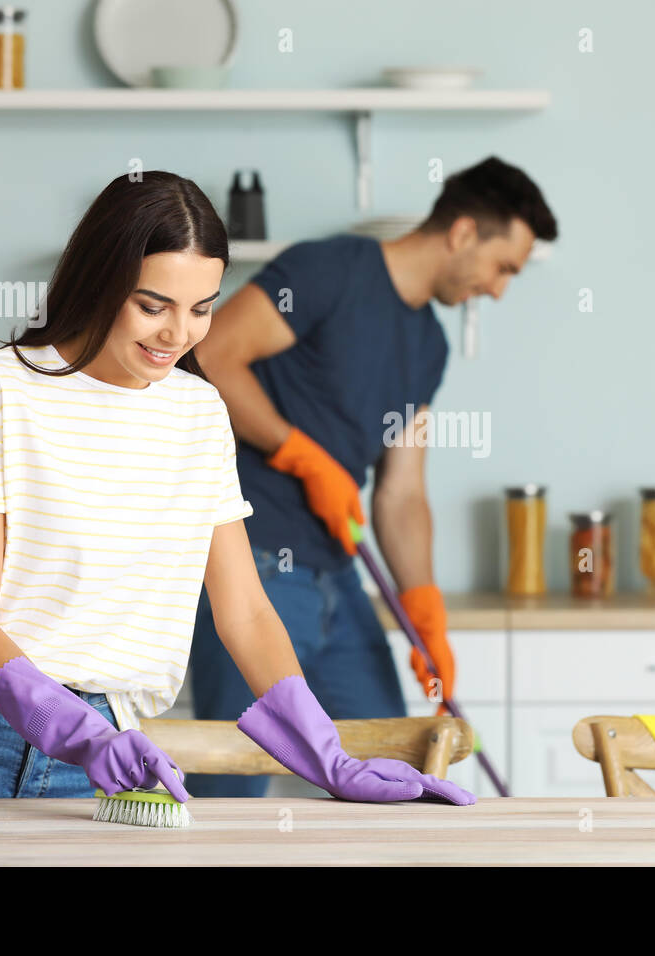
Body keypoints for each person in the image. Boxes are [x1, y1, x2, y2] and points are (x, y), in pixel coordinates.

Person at [0, 171, 473, 852]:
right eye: (153, 305)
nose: (179, 333)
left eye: (202, 307)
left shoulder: (197, 412)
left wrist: (329, 757)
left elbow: (247, 612)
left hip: (98, 755)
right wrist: (75, 731)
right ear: (101, 279)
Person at [189, 156, 558, 796]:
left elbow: (402, 491)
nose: (499, 290)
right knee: (234, 790)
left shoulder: (428, 345)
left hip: (339, 579)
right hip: (254, 569)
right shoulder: (330, 269)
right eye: (504, 268)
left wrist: (424, 606)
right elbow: (212, 352)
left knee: (398, 773)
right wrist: (297, 452)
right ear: (464, 232)